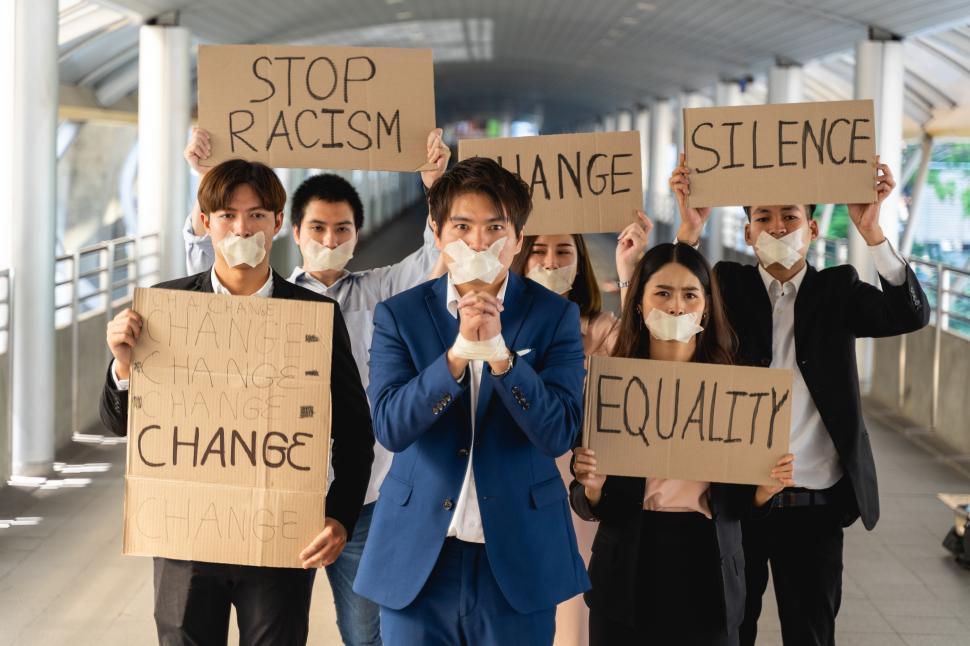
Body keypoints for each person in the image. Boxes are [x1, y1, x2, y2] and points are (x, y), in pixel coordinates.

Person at [181, 128, 449, 646]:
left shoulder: (383, 291)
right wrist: (205, 182)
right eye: (319, 228)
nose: (330, 241)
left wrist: (435, 184)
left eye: (343, 229)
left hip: (362, 499)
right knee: (275, 627)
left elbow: (433, 254)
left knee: (365, 630)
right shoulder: (271, 303)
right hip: (279, 491)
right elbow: (203, 279)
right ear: (293, 232)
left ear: (357, 234)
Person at [99, 159, 374, 645]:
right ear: (205, 223)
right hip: (186, 538)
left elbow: (354, 431)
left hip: (278, 537)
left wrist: (340, 515)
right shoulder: (167, 307)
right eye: (227, 215)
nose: (241, 228)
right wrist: (123, 366)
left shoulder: (314, 315)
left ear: (275, 223)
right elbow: (120, 425)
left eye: (256, 215)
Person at [670, 154, 930, 646]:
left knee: (811, 634)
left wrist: (873, 231)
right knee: (729, 627)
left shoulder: (839, 289)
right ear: (747, 233)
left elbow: (910, 314)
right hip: (738, 498)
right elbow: (665, 300)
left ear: (812, 228)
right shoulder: (727, 286)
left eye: (789, 216)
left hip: (817, 504)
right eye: (762, 218)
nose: (777, 227)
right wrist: (688, 232)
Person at [353, 157, 590, 645]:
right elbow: (391, 427)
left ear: (517, 239)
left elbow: (559, 431)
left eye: (494, 228)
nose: (479, 242)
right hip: (421, 554)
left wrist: (502, 357)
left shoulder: (554, 316)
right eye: (462, 227)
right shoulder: (400, 316)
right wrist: (457, 356)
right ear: (437, 233)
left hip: (517, 554)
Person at [570, 242, 795, 646]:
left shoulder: (734, 386)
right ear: (638, 303)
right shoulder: (611, 385)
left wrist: (765, 491)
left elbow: (743, 508)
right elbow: (586, 501)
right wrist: (592, 485)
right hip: (629, 564)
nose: (676, 307)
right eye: (663, 293)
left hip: (708, 565)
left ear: (707, 306)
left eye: (690, 294)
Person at [509, 215, 651, 646]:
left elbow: (636, 369)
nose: (551, 262)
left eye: (564, 251)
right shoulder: (500, 327)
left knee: (573, 612)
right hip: (515, 480)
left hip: (578, 485)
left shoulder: (600, 329)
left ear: (581, 261)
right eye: (539, 250)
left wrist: (629, 274)